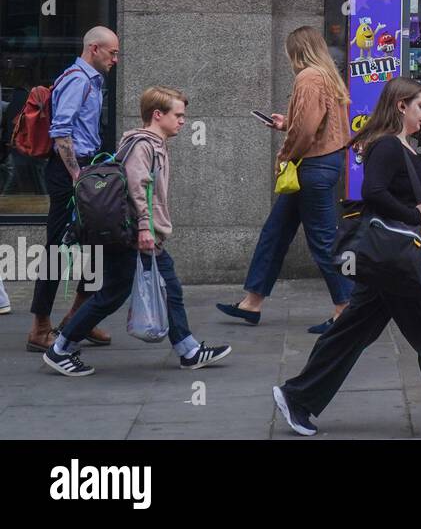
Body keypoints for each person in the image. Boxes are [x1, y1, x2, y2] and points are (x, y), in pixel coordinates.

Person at [273, 77, 421, 437]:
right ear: (400, 106)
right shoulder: (388, 147)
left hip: (391, 264)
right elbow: (373, 192)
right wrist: (413, 216)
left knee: (352, 332)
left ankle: (297, 396)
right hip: (399, 261)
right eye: (420, 106)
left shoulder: (403, 147)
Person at [42, 87, 232, 377]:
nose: (183, 121)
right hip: (136, 235)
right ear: (158, 115)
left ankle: (188, 350)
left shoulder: (152, 144)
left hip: (138, 234)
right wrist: (145, 227)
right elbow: (136, 189)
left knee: (160, 289)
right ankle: (60, 348)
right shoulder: (143, 146)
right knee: (116, 295)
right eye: (178, 115)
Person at [217, 27, 353, 332]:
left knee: (323, 241)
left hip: (312, 167)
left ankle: (346, 309)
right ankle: (251, 303)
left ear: (297, 50)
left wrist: (285, 155)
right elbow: (320, 124)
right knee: (275, 232)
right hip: (324, 164)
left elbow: (306, 132)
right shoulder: (329, 75)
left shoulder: (308, 77)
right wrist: (286, 123)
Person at [27, 26, 119, 353]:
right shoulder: (78, 80)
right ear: (94, 49)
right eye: (112, 53)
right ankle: (40, 327)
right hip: (70, 172)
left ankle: (80, 316)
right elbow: (60, 133)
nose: (116, 60)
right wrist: (77, 176)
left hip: (85, 167)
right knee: (56, 247)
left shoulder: (91, 79)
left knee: (96, 242)